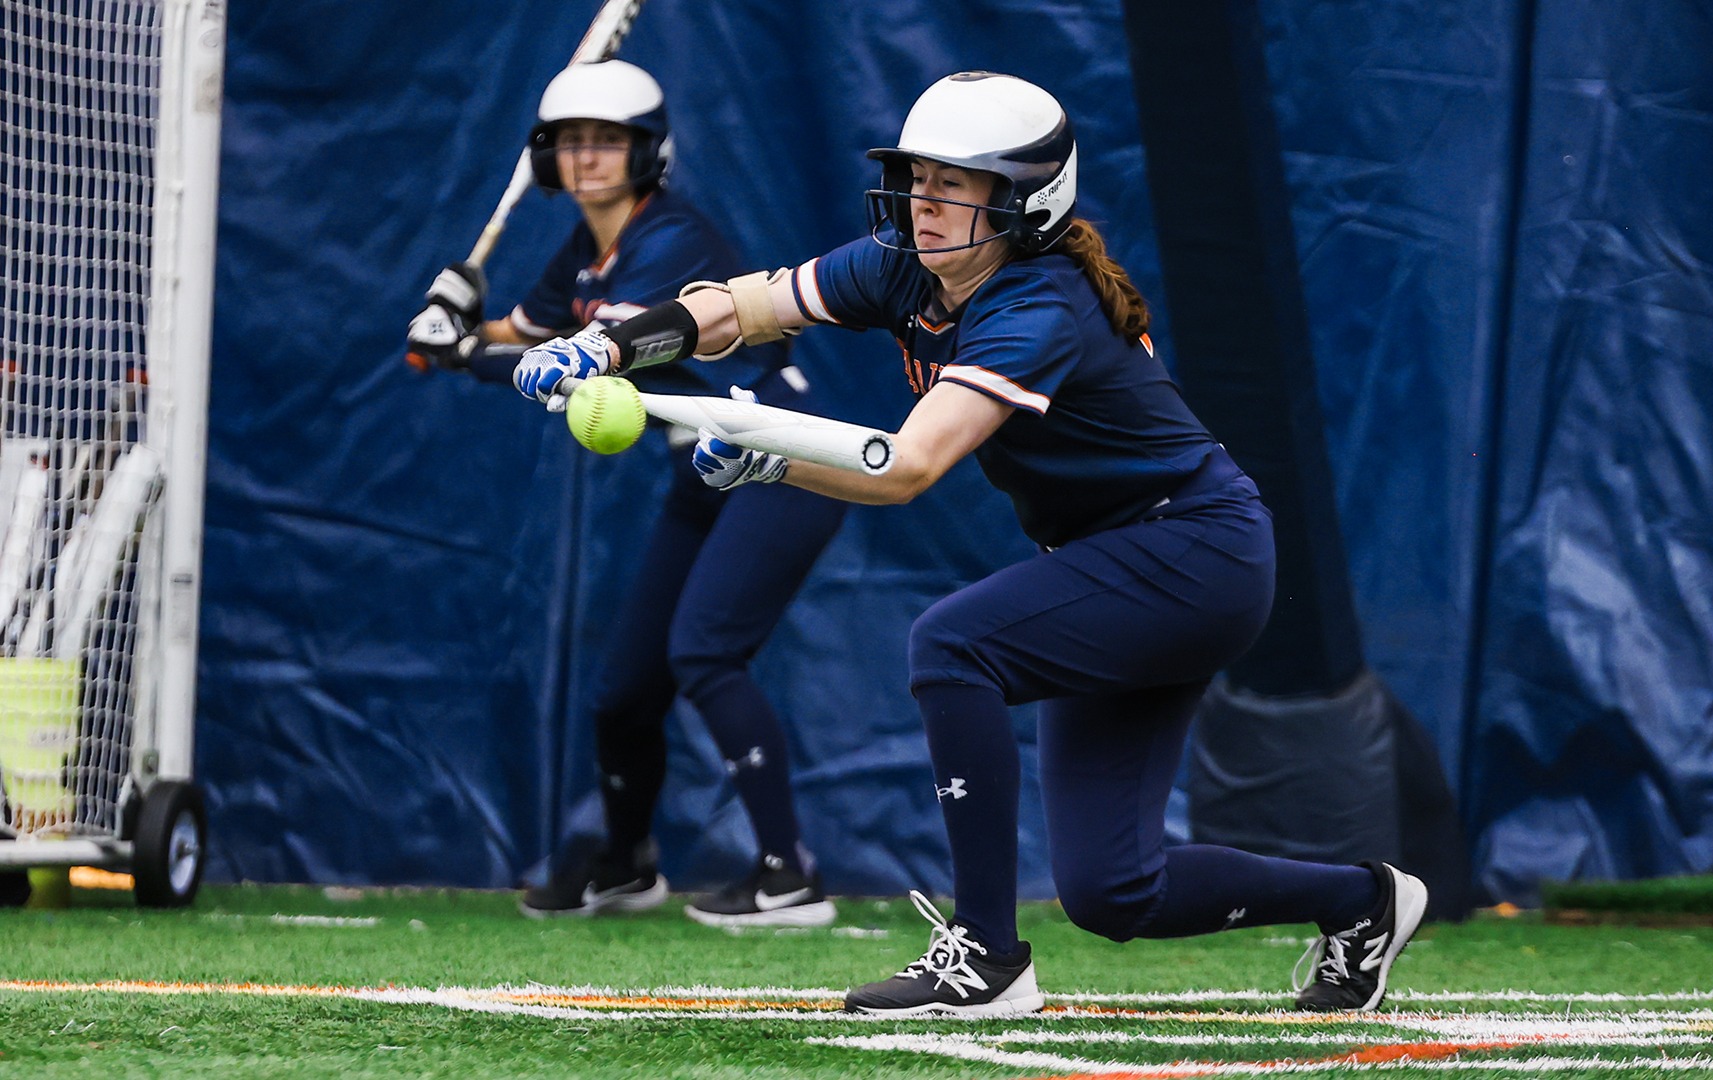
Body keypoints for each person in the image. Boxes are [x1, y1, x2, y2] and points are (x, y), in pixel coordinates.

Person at [509, 71, 1427, 1015]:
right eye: (918, 178)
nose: (926, 202)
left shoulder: (1036, 303)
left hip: (1197, 551)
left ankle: (986, 955)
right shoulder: (903, 261)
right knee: (1116, 891)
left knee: (952, 644)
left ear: (1026, 201)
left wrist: (772, 459)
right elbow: (742, 307)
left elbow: (908, 468)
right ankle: (1363, 902)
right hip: (1118, 560)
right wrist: (618, 346)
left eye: (958, 184)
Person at [404, 59, 845, 929]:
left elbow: (586, 355)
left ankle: (787, 875)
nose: (590, 158)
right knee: (623, 689)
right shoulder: (584, 250)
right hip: (701, 469)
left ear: (649, 153)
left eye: (609, 142)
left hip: (780, 460)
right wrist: (454, 314)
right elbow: (517, 336)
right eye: (572, 142)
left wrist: (466, 355)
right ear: (548, 158)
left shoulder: (670, 237)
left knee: (707, 653)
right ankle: (627, 862)